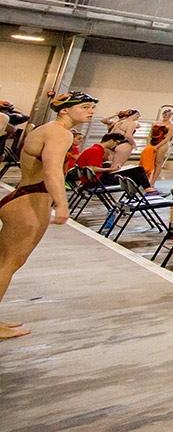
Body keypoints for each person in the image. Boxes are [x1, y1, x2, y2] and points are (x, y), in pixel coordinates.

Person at [0, 91, 98, 339]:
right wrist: (62, 206)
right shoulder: (58, 132)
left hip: (28, 198)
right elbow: (53, 171)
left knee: (7, 262)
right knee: (8, 263)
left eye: (91, 107)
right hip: (29, 202)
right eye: (85, 107)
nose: (91, 111)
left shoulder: (53, 130)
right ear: (65, 110)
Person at [145, 106, 173, 184]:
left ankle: (153, 181)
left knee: (158, 162)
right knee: (149, 161)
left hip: (163, 143)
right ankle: (147, 179)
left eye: (168, 115)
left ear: (171, 116)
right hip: (153, 142)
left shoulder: (172, 124)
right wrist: (148, 145)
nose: (166, 116)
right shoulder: (155, 123)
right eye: (165, 114)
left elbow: (168, 138)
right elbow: (150, 134)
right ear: (162, 114)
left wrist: (157, 146)